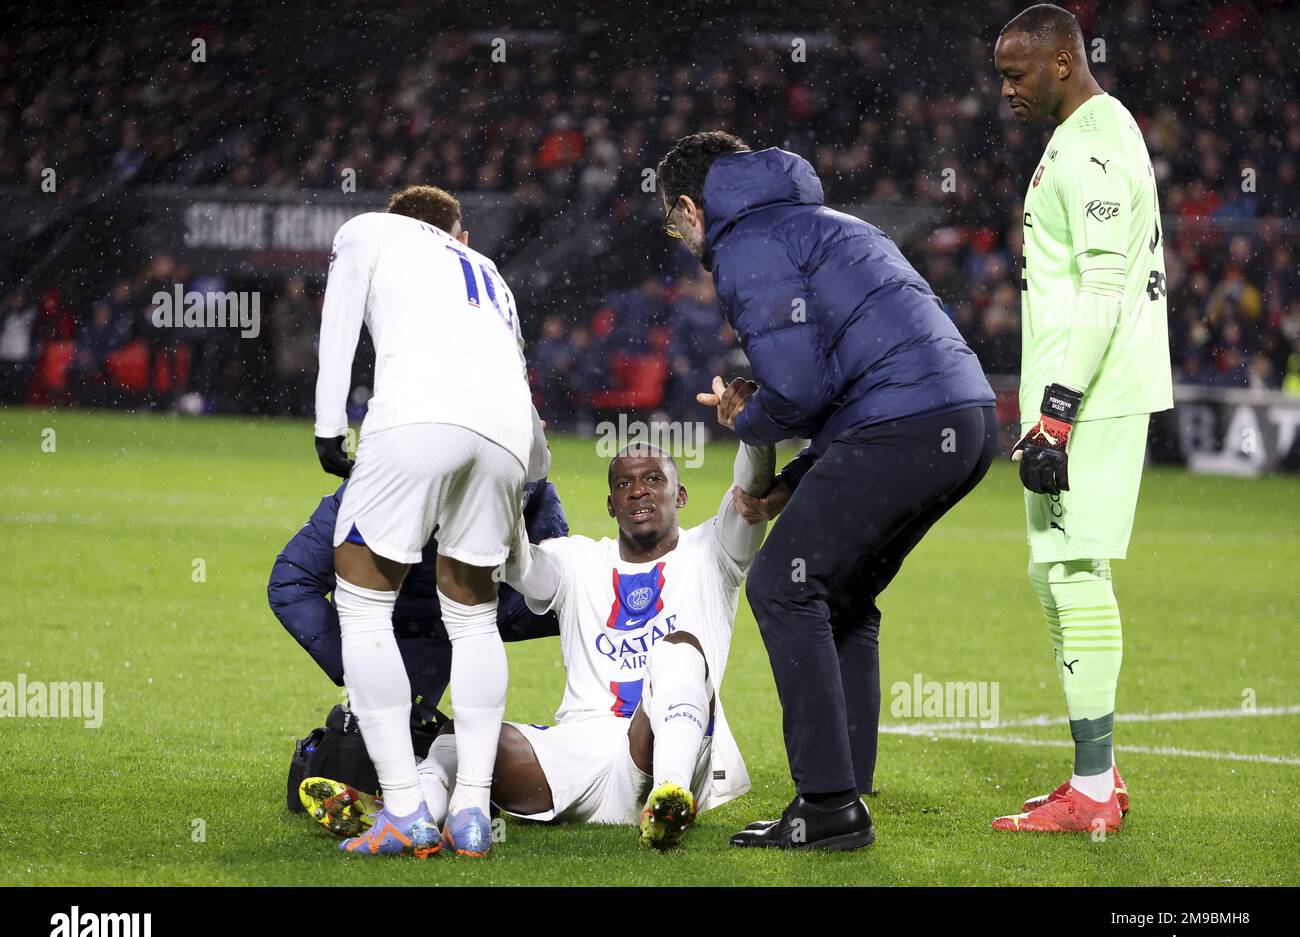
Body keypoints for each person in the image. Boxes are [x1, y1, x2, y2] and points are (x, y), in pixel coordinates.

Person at [658, 131, 997, 850]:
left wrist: (745, 415)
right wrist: (796, 481)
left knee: (782, 586)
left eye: (674, 221)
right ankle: (847, 781)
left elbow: (804, 388)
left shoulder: (745, 245)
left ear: (690, 207)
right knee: (840, 595)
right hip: (961, 421)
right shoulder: (829, 224)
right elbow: (854, 375)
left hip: (903, 423)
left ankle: (829, 805)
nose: (681, 236)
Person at [302, 441, 771, 852]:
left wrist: (756, 428)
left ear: (680, 495)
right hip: (577, 751)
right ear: (611, 504)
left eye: (653, 479)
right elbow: (523, 569)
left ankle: (670, 800)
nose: (639, 490)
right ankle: (413, 810)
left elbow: (750, 490)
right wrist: (507, 481)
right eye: (625, 484)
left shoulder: (713, 551)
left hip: (661, 747)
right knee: (462, 733)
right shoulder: (577, 558)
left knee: (679, 649)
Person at [313, 185, 549, 857]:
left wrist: (331, 425)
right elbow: (520, 386)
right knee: (473, 618)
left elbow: (341, 314)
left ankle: (407, 811)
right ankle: (472, 810)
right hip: (505, 439)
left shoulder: (370, 230)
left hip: (417, 418)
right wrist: (529, 470)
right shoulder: (492, 276)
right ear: (460, 234)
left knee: (361, 604)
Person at [991, 4, 1171, 832]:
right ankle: (1099, 777)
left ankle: (1093, 790)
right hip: (1073, 392)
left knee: (1073, 569)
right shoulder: (1081, 132)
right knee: (1052, 569)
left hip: (1090, 396)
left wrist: (1059, 411)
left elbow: (1105, 287)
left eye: (1017, 73)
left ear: (1063, 61)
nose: (1007, 91)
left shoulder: (1095, 139)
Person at [267, 475, 568, 752]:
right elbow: (293, 581)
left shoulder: (510, 461)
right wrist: (359, 666)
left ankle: (593, 734)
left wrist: (552, 548)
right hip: (416, 627)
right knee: (375, 752)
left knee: (582, 597)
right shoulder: (372, 486)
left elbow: (542, 504)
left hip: (498, 601)